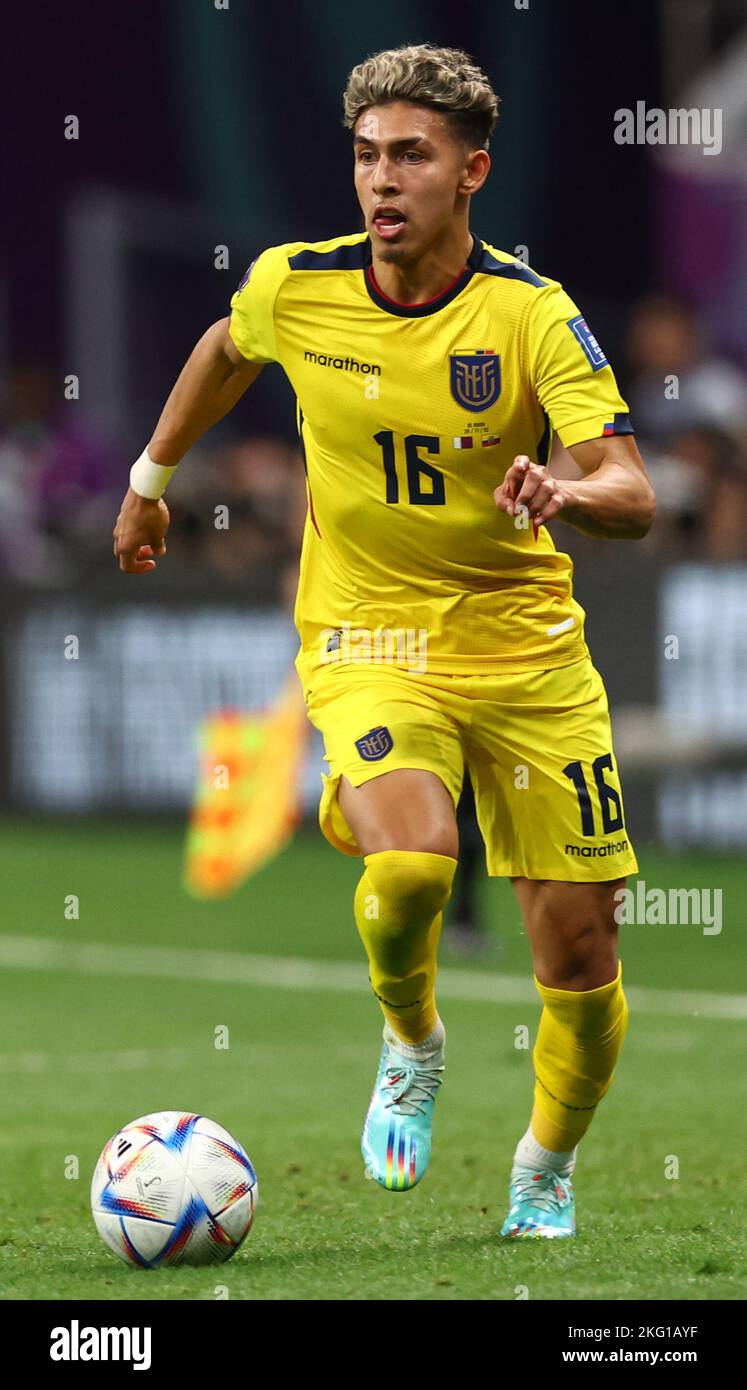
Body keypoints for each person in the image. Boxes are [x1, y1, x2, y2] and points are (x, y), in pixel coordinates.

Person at [112, 43, 656, 1240]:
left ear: (472, 170)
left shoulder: (529, 314)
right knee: (411, 865)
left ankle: (544, 1170)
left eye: (411, 155)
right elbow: (223, 347)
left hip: (528, 654)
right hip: (372, 637)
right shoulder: (295, 285)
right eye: (367, 155)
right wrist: (154, 478)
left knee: (581, 950)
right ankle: (413, 1041)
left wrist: (565, 494)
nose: (382, 180)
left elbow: (633, 485)